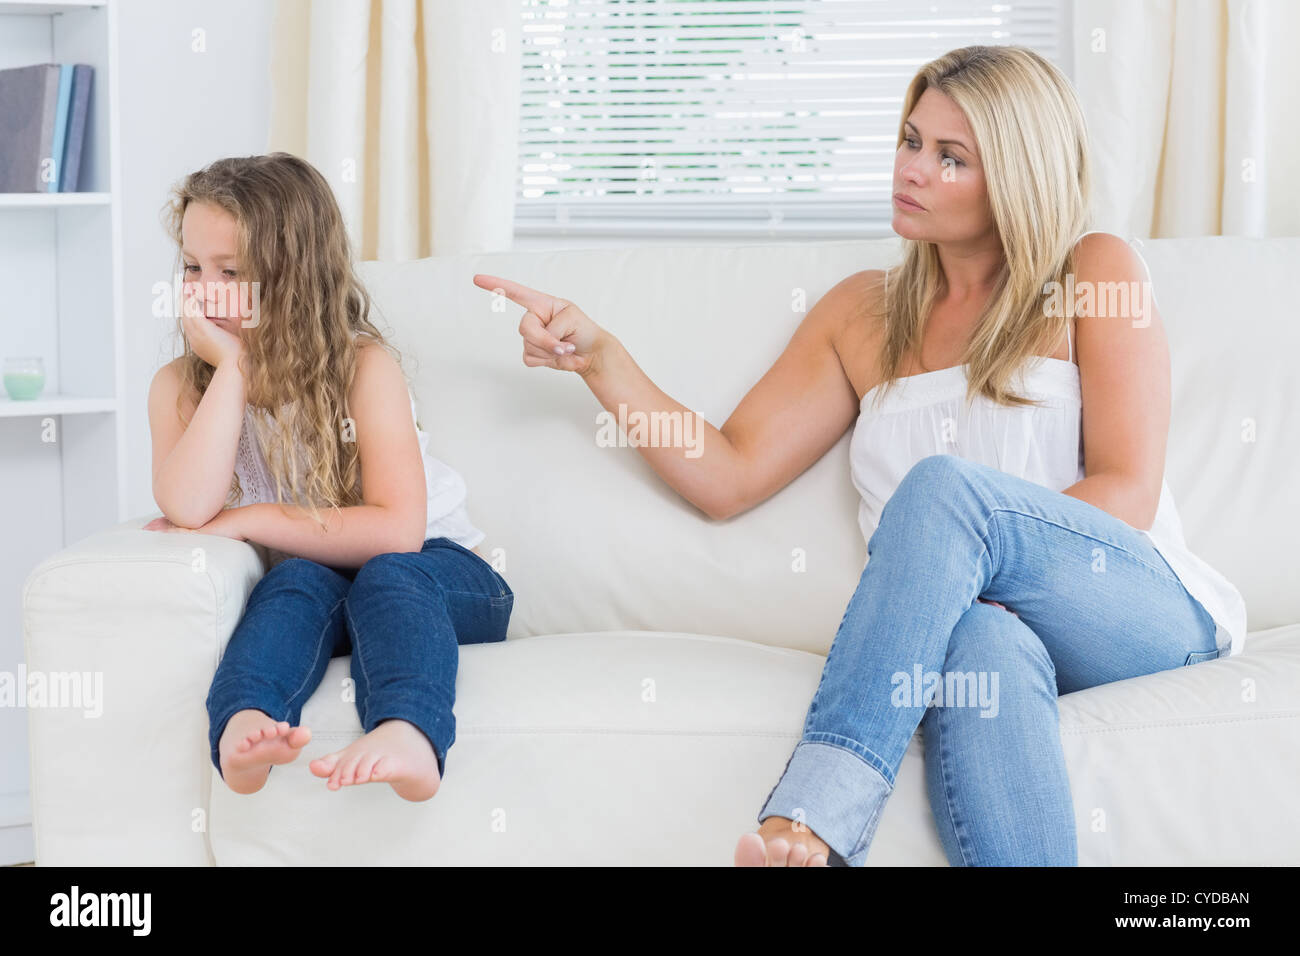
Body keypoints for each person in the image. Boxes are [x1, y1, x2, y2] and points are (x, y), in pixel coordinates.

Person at [471, 45, 1246, 865]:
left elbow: (1126, 489)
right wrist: (602, 360)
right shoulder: (863, 314)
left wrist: (965, 556)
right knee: (981, 638)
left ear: (1018, 175)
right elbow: (728, 473)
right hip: (983, 632)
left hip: (1134, 607)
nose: (912, 169)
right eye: (911, 141)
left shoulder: (1095, 270)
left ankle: (813, 815)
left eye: (951, 158)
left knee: (944, 493)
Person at [146, 152, 513, 801]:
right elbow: (187, 505)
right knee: (290, 584)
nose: (202, 290)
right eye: (192, 267)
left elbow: (398, 532)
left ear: (294, 276)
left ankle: (410, 732)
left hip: (442, 574)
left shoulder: (363, 370)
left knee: (387, 575)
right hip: (325, 579)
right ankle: (246, 725)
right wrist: (231, 372)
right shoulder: (182, 386)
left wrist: (254, 520)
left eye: (230, 271)